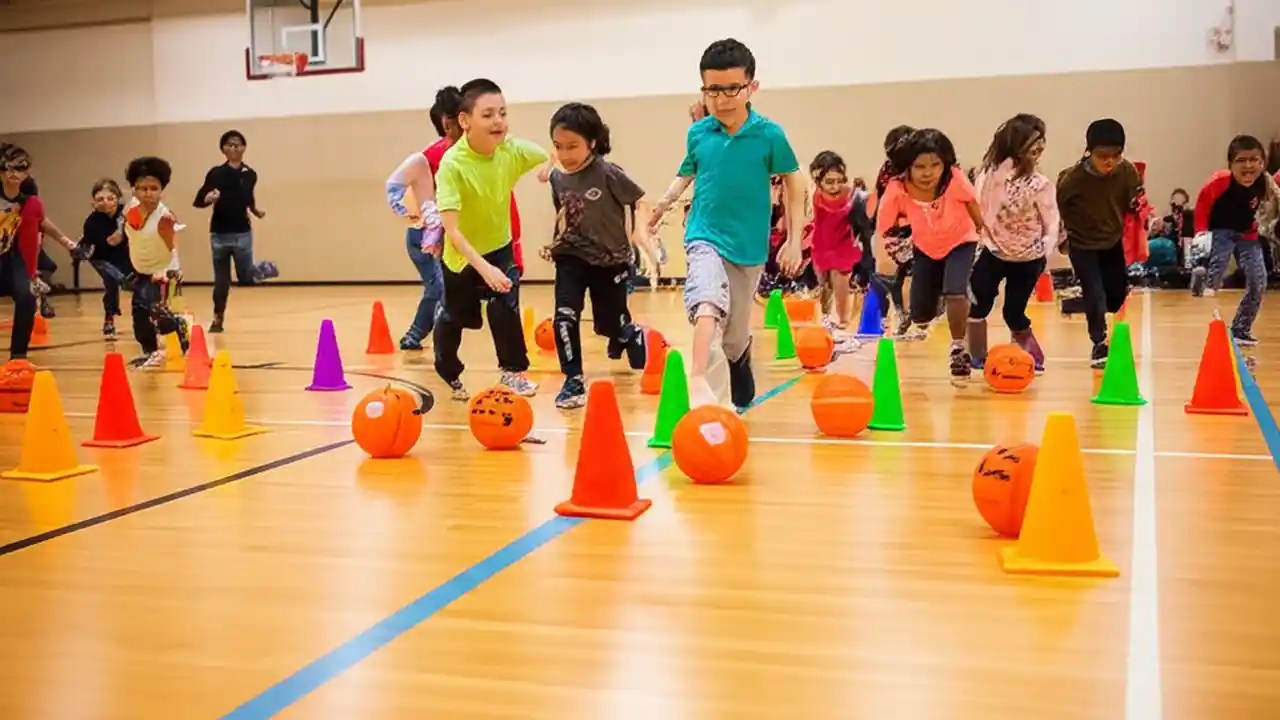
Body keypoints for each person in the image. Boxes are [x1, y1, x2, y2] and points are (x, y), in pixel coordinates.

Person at [649, 38, 803, 410]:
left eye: (732, 88)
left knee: (733, 334)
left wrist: (795, 239)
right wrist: (660, 207)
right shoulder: (699, 132)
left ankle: (740, 356)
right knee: (706, 301)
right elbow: (686, 172)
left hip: (748, 246)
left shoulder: (769, 135)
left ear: (752, 87)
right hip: (704, 233)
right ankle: (699, 379)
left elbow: (796, 183)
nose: (721, 99)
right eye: (712, 90)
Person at [432, 78, 553, 400]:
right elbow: (452, 231)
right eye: (487, 115)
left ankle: (512, 372)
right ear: (465, 120)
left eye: (502, 113)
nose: (498, 121)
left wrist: (549, 168)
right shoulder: (452, 165)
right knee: (457, 318)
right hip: (462, 257)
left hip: (499, 246)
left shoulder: (510, 151)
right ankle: (448, 369)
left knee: (505, 305)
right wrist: (484, 269)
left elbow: (548, 154)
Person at [543, 102, 654, 408]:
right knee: (564, 316)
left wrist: (639, 233)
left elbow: (641, 200)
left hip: (610, 260)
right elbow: (563, 211)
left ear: (592, 142)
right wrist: (555, 242)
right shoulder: (557, 176)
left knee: (608, 324)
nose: (565, 155)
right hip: (572, 256)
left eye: (572, 146)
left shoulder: (607, 172)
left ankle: (628, 335)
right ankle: (573, 380)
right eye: (558, 146)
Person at [875, 129, 988, 381]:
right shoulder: (897, 189)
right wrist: (892, 251)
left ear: (945, 164)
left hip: (961, 241)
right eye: (920, 167)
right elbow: (884, 227)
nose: (928, 173)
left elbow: (971, 202)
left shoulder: (954, 179)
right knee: (921, 314)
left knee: (955, 291)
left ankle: (958, 347)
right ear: (907, 168)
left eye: (935, 165)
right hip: (925, 248)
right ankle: (938, 302)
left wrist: (982, 228)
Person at [969, 114, 1058, 373]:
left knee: (1013, 311)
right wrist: (981, 240)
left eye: (1042, 141)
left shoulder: (1040, 184)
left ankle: (1028, 356)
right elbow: (979, 210)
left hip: (1028, 259)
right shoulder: (988, 176)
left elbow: (1051, 219)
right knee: (978, 303)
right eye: (1033, 141)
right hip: (994, 253)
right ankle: (974, 353)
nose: (1039, 147)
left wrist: (1045, 248)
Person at [1056, 118, 1143, 368]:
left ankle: (1074, 303)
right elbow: (1058, 207)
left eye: (1116, 155)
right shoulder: (1072, 179)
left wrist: (1139, 208)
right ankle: (1099, 343)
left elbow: (1132, 200)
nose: (1109, 162)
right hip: (1082, 244)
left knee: (1114, 298)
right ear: (1089, 152)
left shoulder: (1127, 172)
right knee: (1095, 292)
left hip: (1111, 241)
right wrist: (1063, 237)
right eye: (1102, 156)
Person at [386, 86, 462, 350]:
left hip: (442, 235)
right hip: (424, 236)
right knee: (438, 288)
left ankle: (425, 335)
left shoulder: (456, 152)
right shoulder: (440, 154)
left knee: (446, 289)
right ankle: (415, 336)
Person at [1193, 134, 1278, 346]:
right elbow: (1202, 203)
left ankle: (1241, 329)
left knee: (1259, 282)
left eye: (1254, 160)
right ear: (1230, 164)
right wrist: (1201, 232)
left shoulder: (1266, 182)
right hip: (1221, 230)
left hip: (1248, 234)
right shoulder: (1220, 181)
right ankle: (1202, 278)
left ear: (1262, 163)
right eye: (1241, 160)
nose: (1248, 166)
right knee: (1218, 267)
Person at [191, 130, 278, 334]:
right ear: (223, 149)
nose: (234, 148)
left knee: (245, 277)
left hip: (242, 233)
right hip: (219, 234)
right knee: (221, 281)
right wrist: (208, 199)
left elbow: (247, 197)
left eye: (238, 144)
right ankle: (217, 318)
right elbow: (198, 200)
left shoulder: (250, 174)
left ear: (244, 148)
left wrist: (255, 210)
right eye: (229, 144)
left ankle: (267, 268)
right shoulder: (216, 173)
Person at [124, 156, 190, 368]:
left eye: (154, 188)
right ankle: (157, 343)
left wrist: (172, 271)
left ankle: (161, 345)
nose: (148, 193)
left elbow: (172, 246)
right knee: (139, 314)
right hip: (140, 269)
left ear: (162, 189)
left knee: (153, 309)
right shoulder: (131, 208)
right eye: (142, 188)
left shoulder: (165, 218)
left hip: (160, 271)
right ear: (134, 189)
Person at [807, 152, 860, 335]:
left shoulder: (850, 194)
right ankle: (826, 316)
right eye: (829, 182)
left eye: (839, 180)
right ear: (817, 180)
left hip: (844, 244)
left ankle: (844, 321)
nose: (835, 186)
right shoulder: (815, 195)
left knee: (840, 281)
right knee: (824, 284)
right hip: (821, 245)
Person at [0, 145, 43, 362]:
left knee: (27, 295)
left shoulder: (29, 196)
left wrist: (66, 241)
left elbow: (40, 222)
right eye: (8, 169)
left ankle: (18, 355)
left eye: (19, 169)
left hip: (11, 256)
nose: (13, 174)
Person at [78, 178, 133, 340]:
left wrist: (123, 231)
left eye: (110, 198)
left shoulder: (126, 213)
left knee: (135, 284)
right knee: (111, 280)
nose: (105, 203)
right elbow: (105, 244)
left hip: (124, 255)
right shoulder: (91, 222)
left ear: (117, 198)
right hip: (100, 257)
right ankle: (109, 317)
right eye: (100, 199)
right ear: (93, 202)